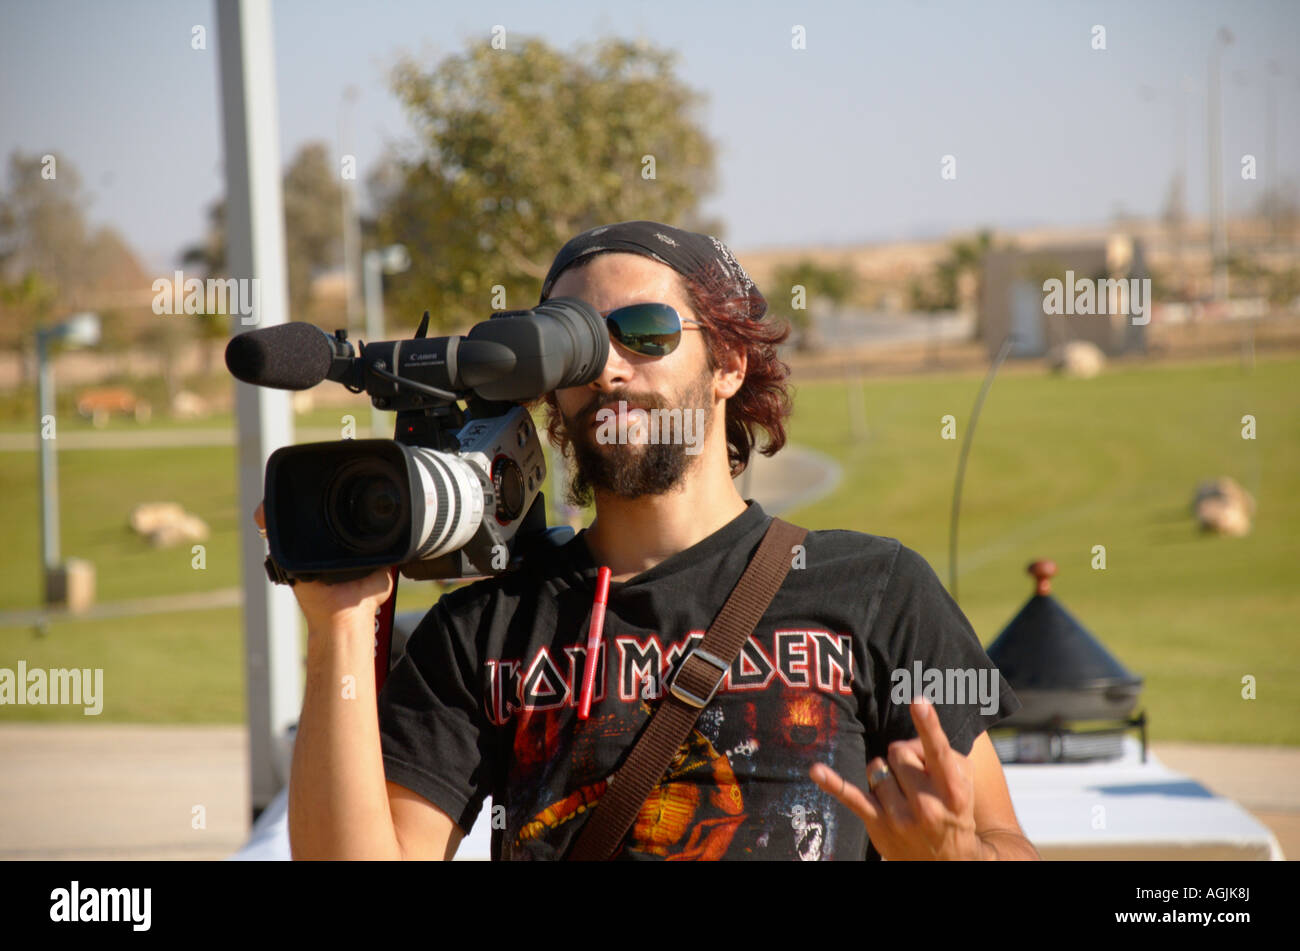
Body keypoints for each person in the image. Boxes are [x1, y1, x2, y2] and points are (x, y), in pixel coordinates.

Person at [270, 219, 1039, 861]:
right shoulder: (485, 631)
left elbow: (1006, 842)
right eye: (570, 344)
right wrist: (340, 624)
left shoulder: (875, 590)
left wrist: (955, 857)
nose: (608, 367)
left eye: (645, 332)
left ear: (729, 364)